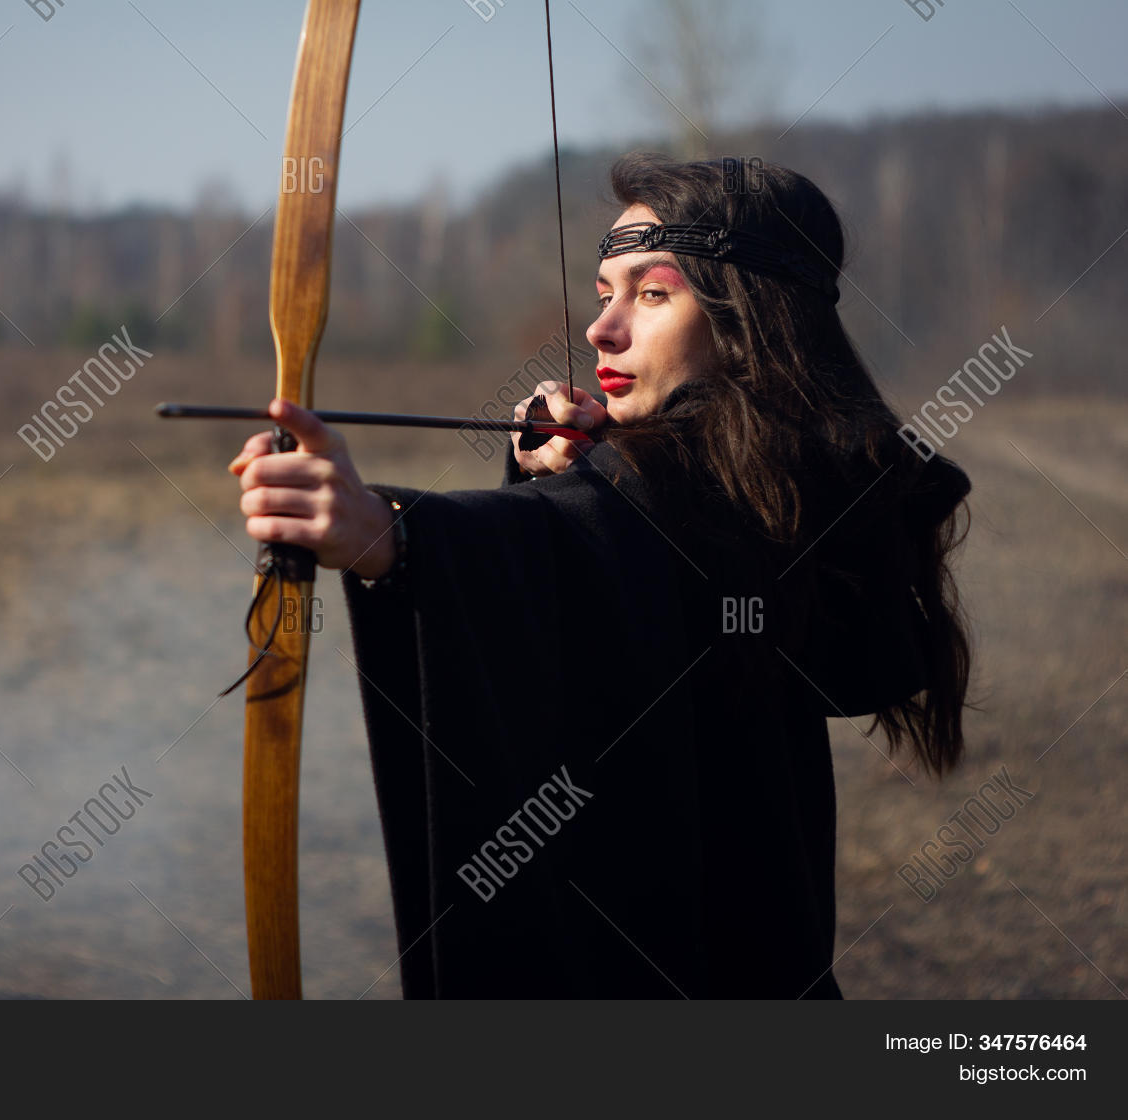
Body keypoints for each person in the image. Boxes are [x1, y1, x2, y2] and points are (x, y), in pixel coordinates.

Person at [227, 153, 973, 998]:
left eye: (652, 294)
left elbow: (622, 537)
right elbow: (620, 558)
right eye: (605, 292)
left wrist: (391, 535)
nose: (602, 329)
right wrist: (578, 477)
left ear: (750, 318)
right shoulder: (783, 476)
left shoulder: (742, 489)